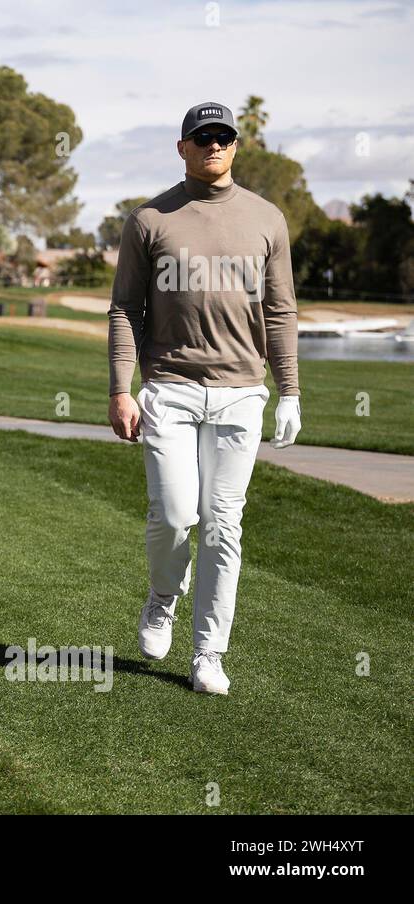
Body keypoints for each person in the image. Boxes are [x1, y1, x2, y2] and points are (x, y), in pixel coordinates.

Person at [108, 101, 302, 696]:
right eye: (202, 137)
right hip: (169, 387)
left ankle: (208, 652)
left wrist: (289, 390)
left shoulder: (267, 220)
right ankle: (164, 595)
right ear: (183, 147)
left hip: (242, 393)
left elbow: (281, 310)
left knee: (223, 525)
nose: (213, 145)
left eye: (223, 137)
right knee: (172, 516)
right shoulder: (150, 219)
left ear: (235, 147)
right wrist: (121, 387)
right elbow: (125, 308)